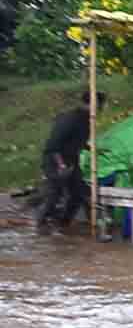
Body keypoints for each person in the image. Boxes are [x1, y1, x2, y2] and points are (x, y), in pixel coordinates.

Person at [36, 99, 90, 233]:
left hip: (71, 160)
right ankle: (42, 222)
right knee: (55, 193)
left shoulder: (86, 120)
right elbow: (54, 145)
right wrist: (61, 165)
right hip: (55, 160)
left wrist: (92, 149)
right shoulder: (70, 119)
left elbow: (76, 140)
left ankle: (63, 223)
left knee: (78, 192)